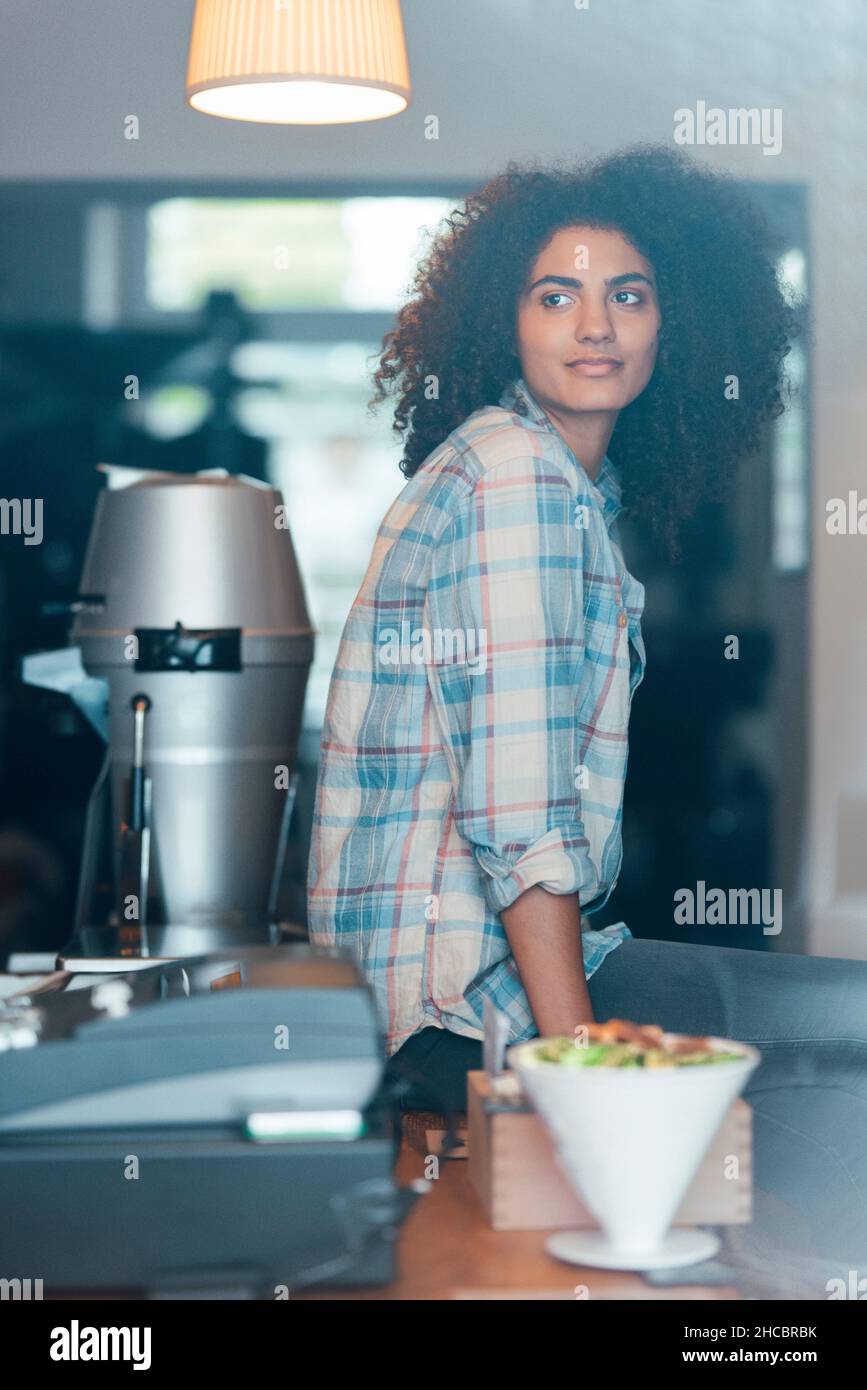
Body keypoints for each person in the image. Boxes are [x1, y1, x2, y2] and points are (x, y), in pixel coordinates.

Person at [307, 145, 867, 1263]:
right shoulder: (516, 482)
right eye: (554, 294)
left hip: (430, 989)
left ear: (678, 322)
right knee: (844, 1039)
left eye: (629, 294)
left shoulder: (555, 485)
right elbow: (517, 821)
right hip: (449, 1013)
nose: (595, 325)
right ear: (501, 322)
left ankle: (753, 1276)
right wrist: (583, 1069)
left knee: (829, 1030)